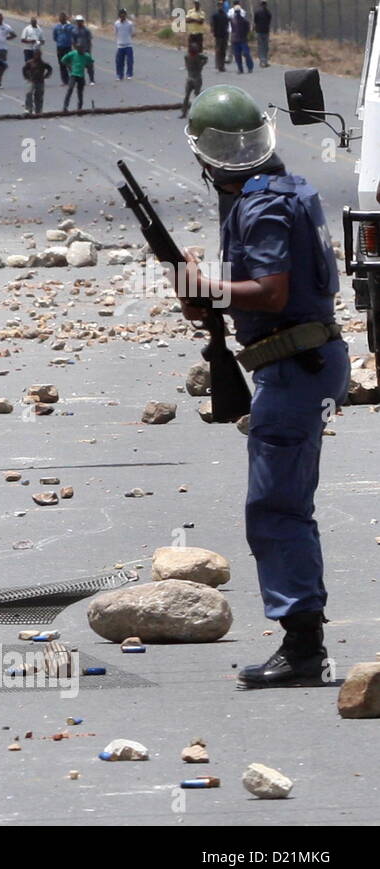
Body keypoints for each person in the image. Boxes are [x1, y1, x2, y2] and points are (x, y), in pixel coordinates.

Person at [178, 85, 348, 690]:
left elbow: (273, 291)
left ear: (204, 154)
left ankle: (304, 645)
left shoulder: (260, 204)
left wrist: (209, 289)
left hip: (296, 367)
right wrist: (210, 303)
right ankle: (304, 638)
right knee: (282, 502)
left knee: (276, 506)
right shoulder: (277, 188)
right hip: (302, 358)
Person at [180, 36, 207, 117]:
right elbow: (205, 59)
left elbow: (205, 59)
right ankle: (184, 112)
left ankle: (196, 112)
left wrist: (201, 65)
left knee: (196, 95)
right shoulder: (188, 56)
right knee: (188, 96)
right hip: (192, 78)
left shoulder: (196, 56)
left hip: (195, 78)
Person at [61, 43, 91, 111]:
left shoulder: (86, 55)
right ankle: (65, 106)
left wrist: (86, 65)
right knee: (70, 89)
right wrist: (69, 66)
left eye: (83, 49)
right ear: (77, 49)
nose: (82, 51)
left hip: (81, 75)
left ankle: (79, 107)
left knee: (80, 92)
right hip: (73, 74)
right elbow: (63, 60)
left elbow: (90, 62)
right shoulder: (73, 54)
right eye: (80, 49)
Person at [23, 48, 52, 115]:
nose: (37, 56)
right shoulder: (30, 62)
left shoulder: (43, 63)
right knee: (29, 93)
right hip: (32, 81)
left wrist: (47, 75)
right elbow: (24, 69)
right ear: (34, 55)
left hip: (40, 81)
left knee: (39, 96)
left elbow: (49, 68)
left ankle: (38, 111)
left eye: (39, 54)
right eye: (36, 54)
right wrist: (27, 77)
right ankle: (29, 108)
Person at [229, 1, 253, 73]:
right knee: (237, 56)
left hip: (243, 40)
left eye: (238, 12)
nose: (237, 13)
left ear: (240, 12)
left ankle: (250, 67)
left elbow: (247, 30)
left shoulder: (245, 21)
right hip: (235, 40)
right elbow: (233, 30)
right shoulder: (232, 21)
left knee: (246, 53)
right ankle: (240, 69)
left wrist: (245, 36)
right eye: (236, 12)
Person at [52, 11, 74, 85]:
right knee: (62, 64)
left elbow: (74, 34)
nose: (60, 19)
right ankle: (65, 81)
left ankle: (74, 79)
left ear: (65, 18)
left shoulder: (70, 26)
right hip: (60, 47)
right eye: (60, 17)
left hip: (68, 47)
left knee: (69, 63)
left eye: (62, 17)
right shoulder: (57, 27)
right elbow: (55, 37)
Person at [71, 14, 94, 85]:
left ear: (83, 21)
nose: (79, 22)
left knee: (89, 65)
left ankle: (91, 80)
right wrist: (75, 50)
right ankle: (79, 81)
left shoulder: (86, 30)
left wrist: (89, 50)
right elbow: (73, 41)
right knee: (78, 66)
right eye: (78, 21)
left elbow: (89, 40)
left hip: (86, 50)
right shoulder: (74, 30)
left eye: (80, 21)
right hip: (78, 51)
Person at [114, 8, 134, 80]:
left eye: (124, 14)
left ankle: (129, 74)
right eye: (121, 14)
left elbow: (132, 33)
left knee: (129, 61)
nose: (123, 15)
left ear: (126, 15)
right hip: (120, 46)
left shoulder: (130, 23)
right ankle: (119, 75)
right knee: (119, 62)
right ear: (119, 15)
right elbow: (116, 33)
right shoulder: (116, 23)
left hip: (128, 45)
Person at [210, 1, 229, 72]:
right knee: (218, 50)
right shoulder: (215, 15)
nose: (220, 7)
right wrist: (212, 31)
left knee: (223, 51)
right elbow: (212, 24)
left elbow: (227, 24)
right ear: (217, 6)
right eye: (219, 5)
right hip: (218, 35)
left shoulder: (225, 15)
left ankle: (222, 65)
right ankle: (218, 65)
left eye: (221, 5)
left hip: (224, 35)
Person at [253, 0, 271, 67]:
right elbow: (269, 21)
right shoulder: (268, 12)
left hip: (259, 31)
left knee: (261, 46)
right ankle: (265, 61)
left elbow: (255, 21)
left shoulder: (257, 12)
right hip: (265, 31)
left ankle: (262, 61)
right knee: (265, 47)